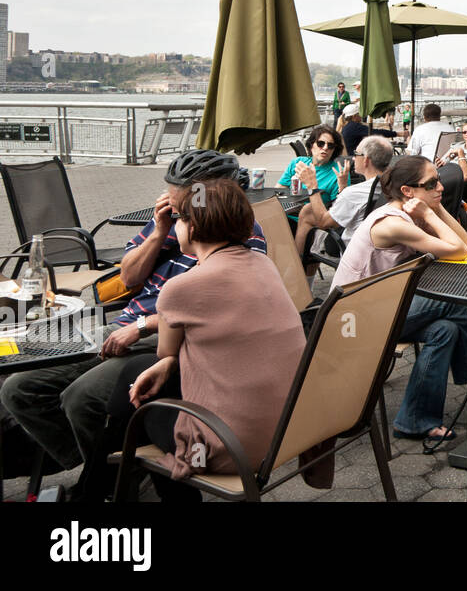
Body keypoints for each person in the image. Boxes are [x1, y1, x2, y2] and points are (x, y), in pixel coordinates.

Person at [0, 150, 266, 499]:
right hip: (127, 323)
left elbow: (217, 309)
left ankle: (108, 479)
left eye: (183, 203)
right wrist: (159, 232)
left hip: (167, 339)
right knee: (19, 388)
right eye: (172, 197)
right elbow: (127, 276)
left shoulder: (237, 235)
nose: (175, 208)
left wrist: (142, 327)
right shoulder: (171, 221)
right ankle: (105, 465)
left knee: (80, 398)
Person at [114, 179, 305, 496]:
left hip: (229, 447)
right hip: (288, 430)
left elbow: (165, 353)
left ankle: (106, 489)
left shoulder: (182, 287)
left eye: (179, 219)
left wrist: (165, 361)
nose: (176, 226)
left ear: (192, 226)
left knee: (135, 384)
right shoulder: (263, 263)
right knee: (142, 386)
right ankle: (98, 487)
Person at [334, 156, 467, 448]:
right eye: (432, 183)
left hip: (378, 308)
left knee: (445, 329)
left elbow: (465, 243)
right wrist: (433, 215)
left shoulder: (408, 213)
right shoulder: (392, 223)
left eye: (438, 180)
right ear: (408, 191)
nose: (440, 187)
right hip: (353, 320)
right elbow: (459, 251)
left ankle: (415, 420)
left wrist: (434, 207)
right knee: (450, 305)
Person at [294, 135, 394, 254]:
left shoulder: (354, 193)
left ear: (366, 160)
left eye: (356, 153)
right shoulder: (390, 182)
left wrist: (312, 186)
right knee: (309, 210)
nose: (353, 158)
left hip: (348, 246)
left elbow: (323, 222)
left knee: (307, 212)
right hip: (374, 240)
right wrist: (342, 187)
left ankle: (298, 265)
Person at [278, 124, 348, 206]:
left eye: (330, 145)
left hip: (313, 216)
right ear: (311, 145)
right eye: (320, 143)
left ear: (334, 150)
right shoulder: (297, 163)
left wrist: (343, 187)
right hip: (286, 212)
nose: (325, 148)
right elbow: (279, 190)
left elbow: (339, 209)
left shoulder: (339, 173)